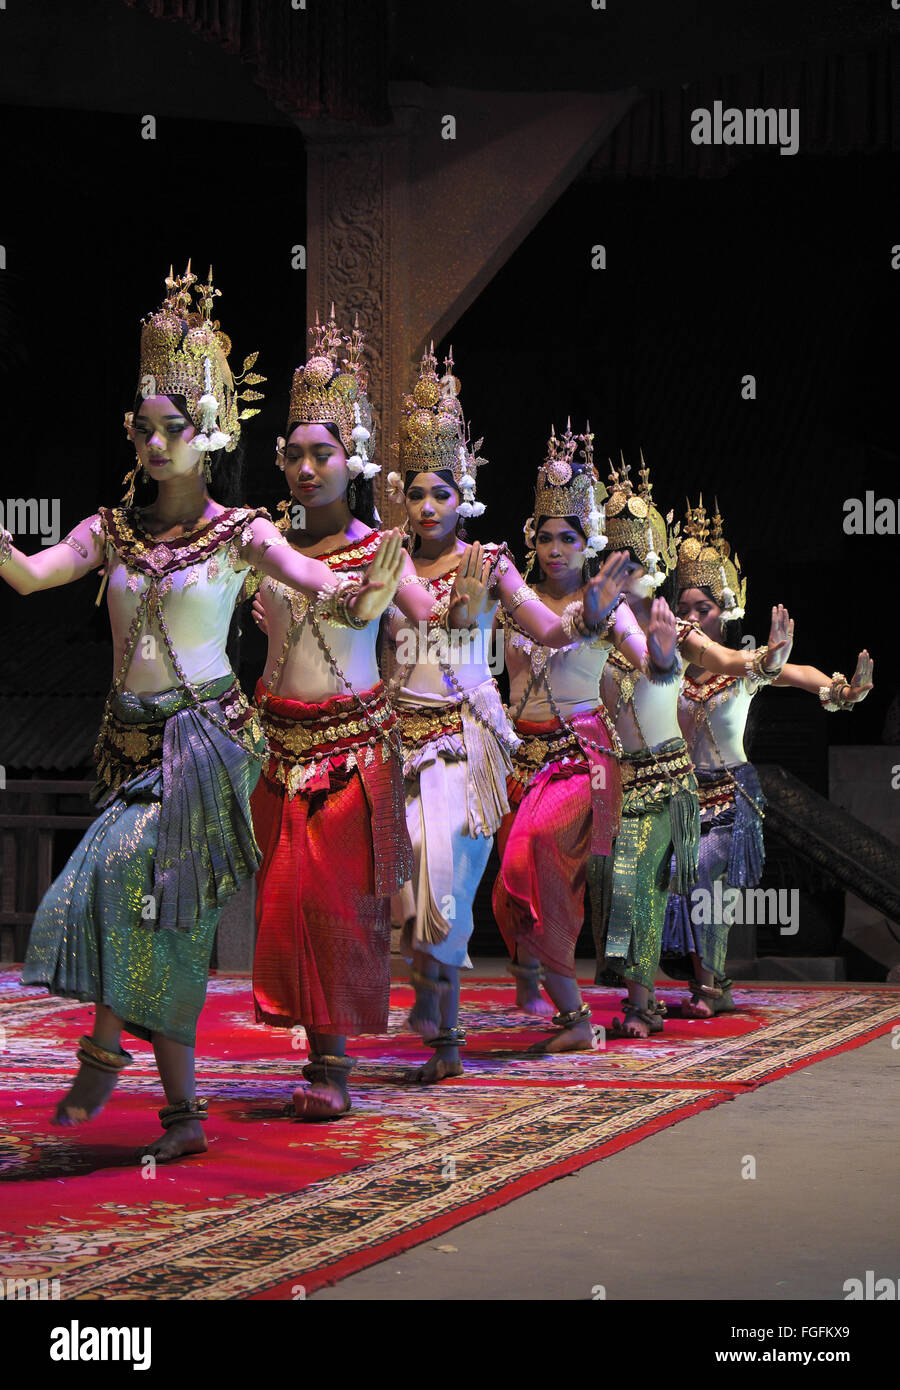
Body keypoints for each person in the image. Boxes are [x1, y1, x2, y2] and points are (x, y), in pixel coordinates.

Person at [4, 265, 402, 1163]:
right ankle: (182, 1119)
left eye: (171, 428)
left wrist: (363, 592)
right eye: (141, 428)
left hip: (210, 742)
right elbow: (34, 575)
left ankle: (105, 1055)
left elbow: (316, 581)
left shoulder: (242, 531)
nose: (152, 442)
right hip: (130, 746)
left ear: (211, 432)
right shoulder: (110, 529)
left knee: (106, 879)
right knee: (159, 916)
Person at [249, 318, 487, 1119]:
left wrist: (473, 608)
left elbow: (439, 626)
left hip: (350, 751)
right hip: (273, 745)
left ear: (354, 461)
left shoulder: (379, 547)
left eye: (324, 453)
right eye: (295, 453)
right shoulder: (259, 543)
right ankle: (317, 1047)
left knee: (331, 901)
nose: (308, 467)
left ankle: (333, 1065)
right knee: (284, 901)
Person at [382, 359, 630, 1080]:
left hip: (467, 741)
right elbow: (394, 626)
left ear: (466, 497)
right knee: (405, 889)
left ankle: (449, 1037)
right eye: (418, 492)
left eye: (442, 492)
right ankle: (433, 994)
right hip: (401, 738)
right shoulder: (388, 560)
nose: (428, 506)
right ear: (402, 496)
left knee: (444, 879)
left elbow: (550, 633)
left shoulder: (491, 562)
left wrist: (591, 616)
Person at [589, 457, 794, 1038]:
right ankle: (614, 991)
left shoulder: (676, 633)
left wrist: (769, 658)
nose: (620, 574)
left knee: (659, 872)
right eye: (610, 563)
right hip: (620, 777)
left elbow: (734, 662)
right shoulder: (594, 628)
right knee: (611, 877)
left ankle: (655, 997)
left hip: (679, 784)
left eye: (629, 565)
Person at [492, 425, 677, 1052]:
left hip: (580, 758)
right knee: (519, 884)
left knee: (535, 851)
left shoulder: (611, 604)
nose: (553, 549)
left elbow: (652, 666)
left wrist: (663, 651)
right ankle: (570, 1017)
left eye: (567, 537)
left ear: (587, 539)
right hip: (517, 756)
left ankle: (571, 1008)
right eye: (543, 536)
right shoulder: (515, 600)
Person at [661, 497, 874, 1016]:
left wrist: (844, 692)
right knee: (671, 880)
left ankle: (710, 989)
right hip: (682, 797)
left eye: (702, 610)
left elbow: (800, 674)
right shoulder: (662, 669)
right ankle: (706, 981)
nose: (691, 619)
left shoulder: (745, 668)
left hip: (733, 797)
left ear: (725, 614)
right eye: (683, 609)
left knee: (707, 869)